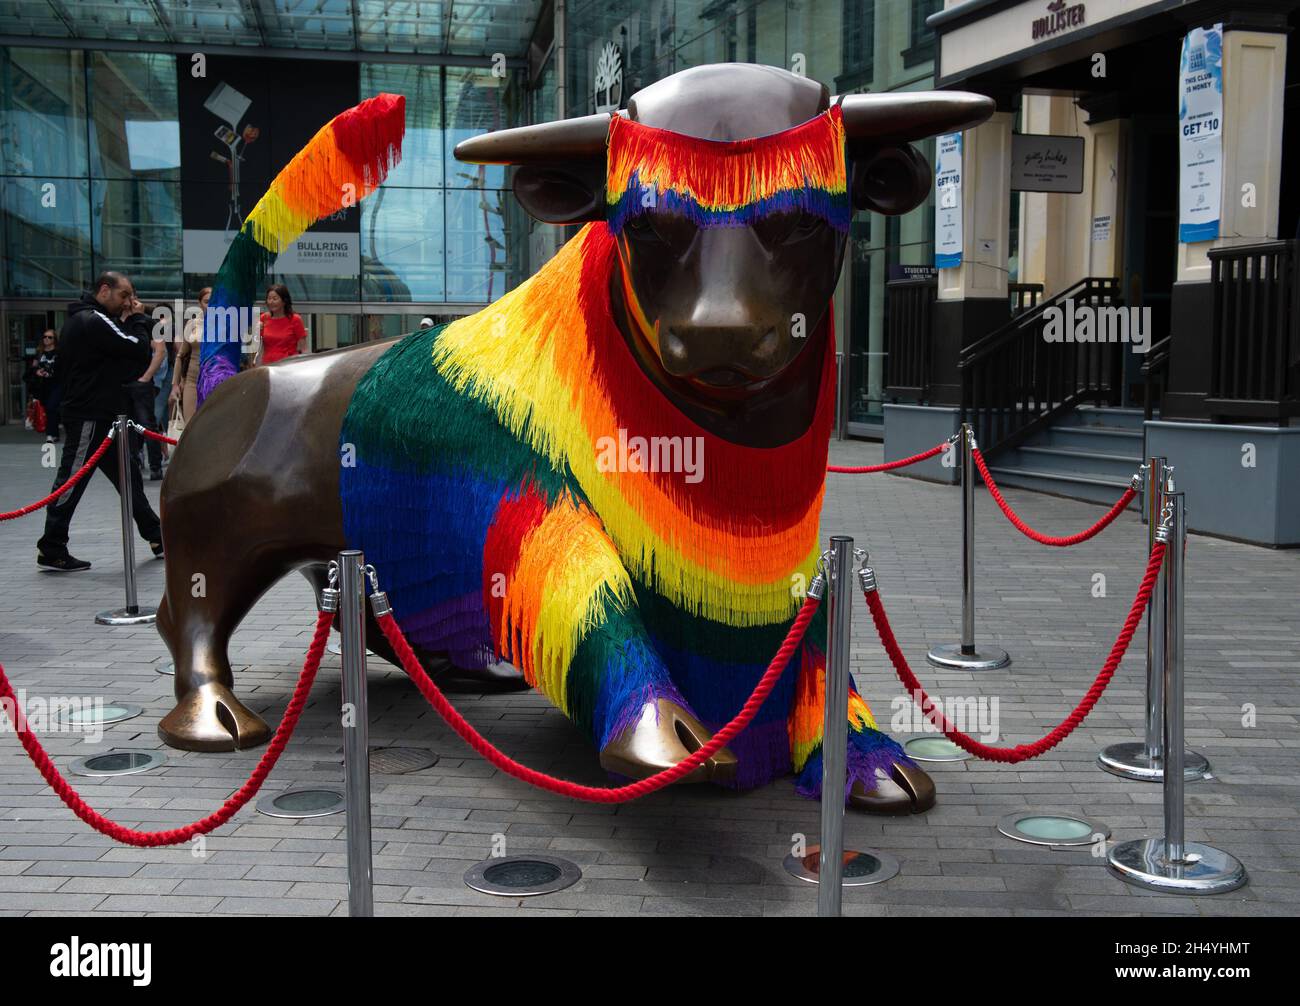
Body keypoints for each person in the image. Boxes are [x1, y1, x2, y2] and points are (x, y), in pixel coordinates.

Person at [36, 271, 163, 572]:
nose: (129, 302)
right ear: (104, 290)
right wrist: (138, 318)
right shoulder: (93, 320)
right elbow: (136, 347)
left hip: (103, 414)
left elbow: (128, 355)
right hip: (89, 415)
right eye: (124, 296)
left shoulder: (90, 320)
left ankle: (157, 535)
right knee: (71, 479)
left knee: (128, 477)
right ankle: (52, 546)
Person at [124, 300, 166, 480]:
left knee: (147, 424)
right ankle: (133, 463)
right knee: (127, 425)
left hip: (142, 384)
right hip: (123, 383)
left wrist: (147, 376)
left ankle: (155, 466)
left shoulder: (148, 322)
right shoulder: (115, 321)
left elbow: (160, 350)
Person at [171, 287, 209, 423]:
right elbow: (180, 356)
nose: (210, 305)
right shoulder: (192, 324)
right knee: (190, 424)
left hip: (215, 382)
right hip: (192, 381)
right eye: (206, 302)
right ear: (200, 303)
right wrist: (175, 384)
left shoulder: (224, 325)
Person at [253, 283, 307, 365]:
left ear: (284, 301)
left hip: (288, 365)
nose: (271, 302)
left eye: (275, 299)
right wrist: (256, 331)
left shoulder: (295, 319)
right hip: (268, 366)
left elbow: (303, 348)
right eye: (269, 298)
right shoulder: (263, 318)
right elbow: (255, 344)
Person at [24, 329, 62, 442]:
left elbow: (63, 368)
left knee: (51, 406)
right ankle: (55, 434)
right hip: (43, 385)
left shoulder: (59, 353)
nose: (46, 339)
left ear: (54, 340)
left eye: (50, 337)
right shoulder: (40, 353)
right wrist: (37, 372)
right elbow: (33, 368)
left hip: (56, 384)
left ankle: (50, 434)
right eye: (45, 337)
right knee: (49, 408)